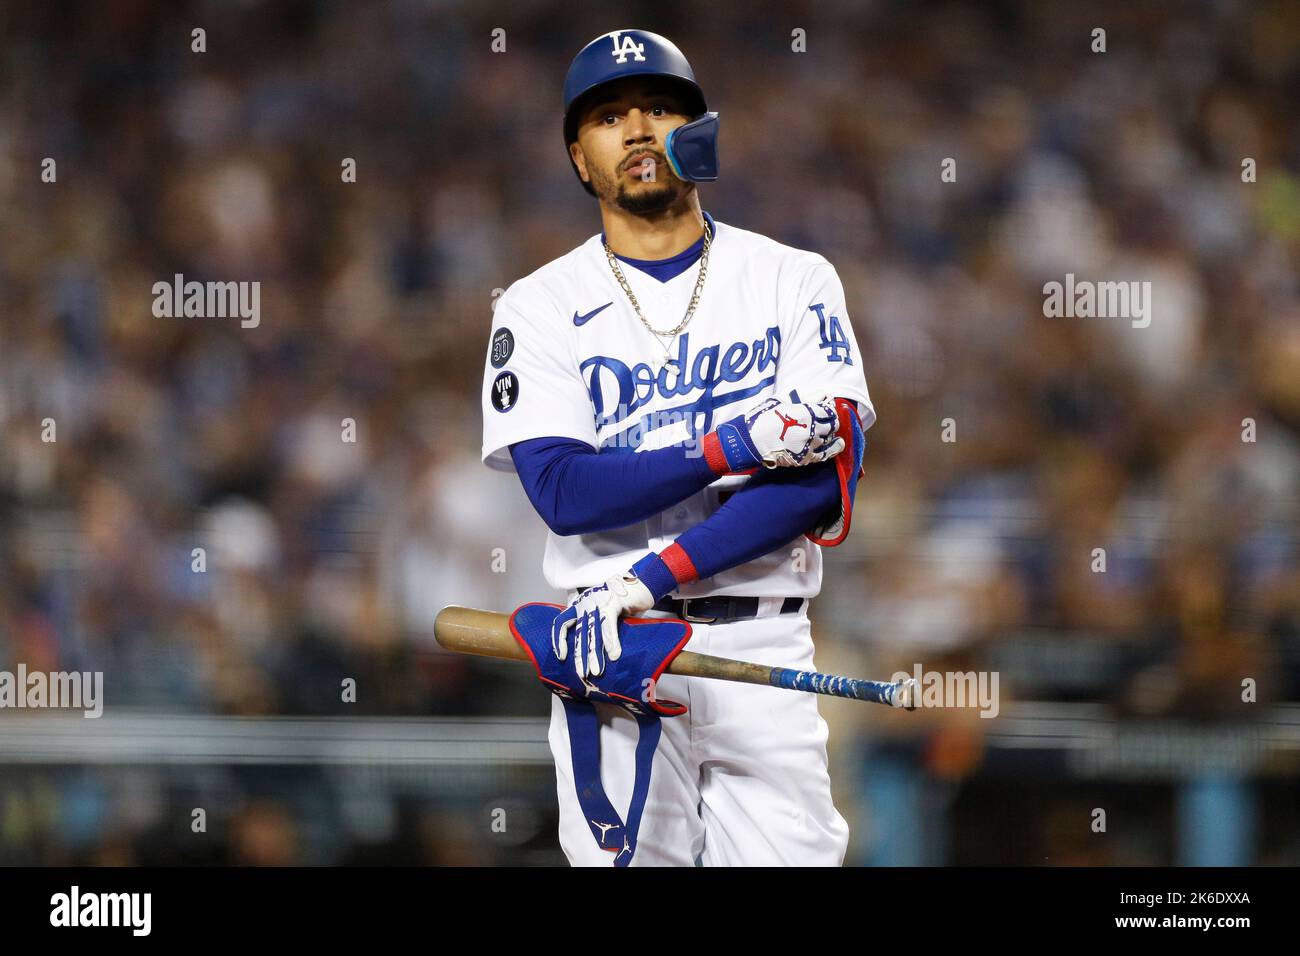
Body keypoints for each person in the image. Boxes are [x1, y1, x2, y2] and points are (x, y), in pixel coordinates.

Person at [481, 29, 874, 866]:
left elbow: (818, 487)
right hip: (607, 652)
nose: (637, 129)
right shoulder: (536, 305)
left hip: (760, 637)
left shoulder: (792, 278)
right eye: (608, 116)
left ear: (700, 134)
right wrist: (728, 445)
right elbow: (563, 490)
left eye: (661, 107)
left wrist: (651, 575)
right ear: (580, 160)